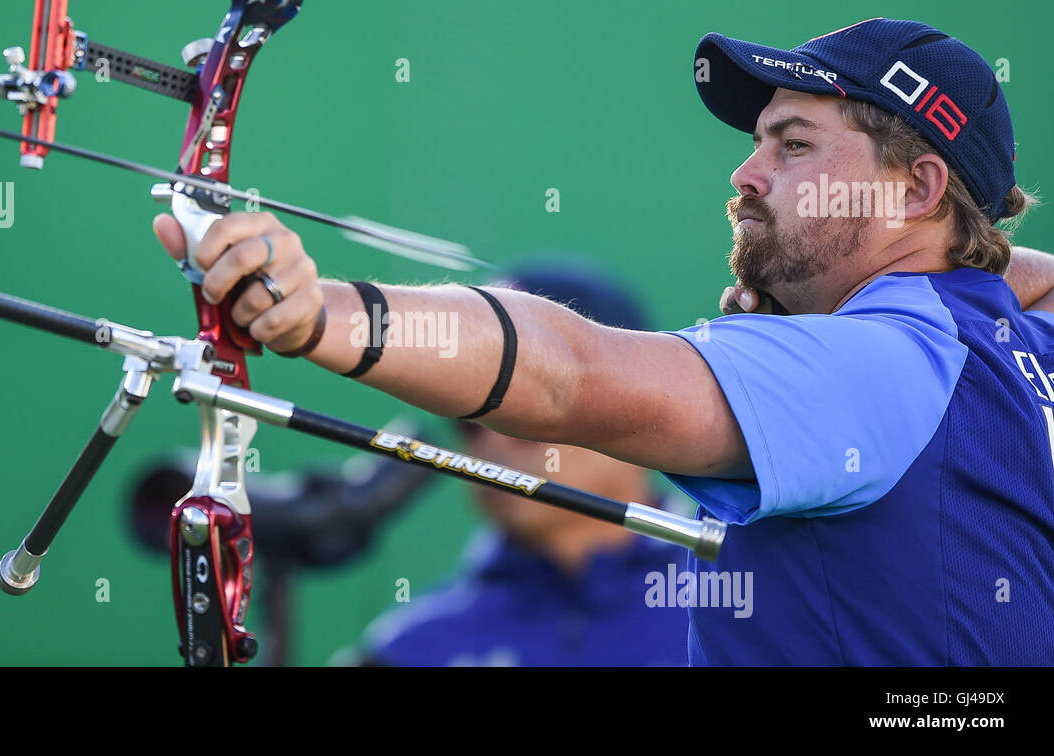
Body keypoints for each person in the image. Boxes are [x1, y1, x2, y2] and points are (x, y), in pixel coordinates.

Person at [152, 18, 1054, 664]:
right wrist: (970, 280)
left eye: (793, 145)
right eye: (756, 142)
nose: (746, 174)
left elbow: (571, 375)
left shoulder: (876, 362)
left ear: (916, 187)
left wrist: (326, 315)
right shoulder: (1016, 349)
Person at [349, 266, 691, 666]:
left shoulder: (747, 605)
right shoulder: (404, 651)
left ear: (635, 401)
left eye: (525, 405)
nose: (493, 437)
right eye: (466, 412)